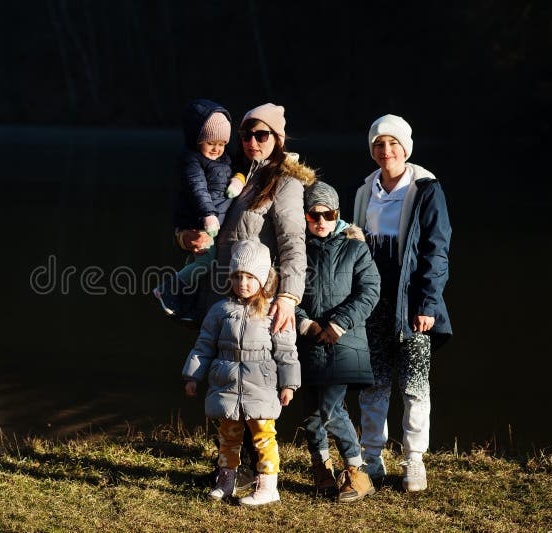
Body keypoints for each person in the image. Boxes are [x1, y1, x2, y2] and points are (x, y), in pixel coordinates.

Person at [353, 114, 452, 492]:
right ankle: (372, 458)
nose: (385, 150)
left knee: (415, 384)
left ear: (406, 148)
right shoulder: (365, 191)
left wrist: (427, 302)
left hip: (413, 302)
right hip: (372, 299)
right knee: (373, 381)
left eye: (393, 143)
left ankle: (414, 460)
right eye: (379, 144)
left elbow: (436, 251)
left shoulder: (426, 188)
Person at [181, 239, 300, 506]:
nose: (243, 283)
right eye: (237, 277)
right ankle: (226, 482)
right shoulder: (220, 311)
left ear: (262, 279)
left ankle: (268, 486)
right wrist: (192, 376)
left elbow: (286, 350)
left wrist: (289, 384)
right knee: (228, 436)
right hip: (227, 385)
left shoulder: (273, 311)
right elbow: (204, 345)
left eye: (249, 277)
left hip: (261, 386)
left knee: (263, 435)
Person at [180, 102, 315, 333]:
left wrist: (288, 296)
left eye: (261, 136)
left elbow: (292, 242)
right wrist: (184, 238)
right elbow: (198, 216)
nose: (252, 143)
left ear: (277, 139)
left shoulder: (286, 183)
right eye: (245, 135)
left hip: (253, 304)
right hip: (213, 299)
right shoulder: (229, 173)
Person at [295, 181, 380, 503]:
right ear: (305, 216)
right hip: (308, 341)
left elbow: (369, 291)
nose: (320, 221)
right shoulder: (295, 250)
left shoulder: (356, 248)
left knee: (330, 409)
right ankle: (322, 469)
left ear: (337, 215)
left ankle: (357, 472)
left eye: (327, 214)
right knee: (311, 414)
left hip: (345, 343)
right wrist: (304, 322)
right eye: (313, 215)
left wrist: (339, 323)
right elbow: (285, 291)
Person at [153, 98, 243, 319]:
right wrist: (208, 216)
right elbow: (197, 189)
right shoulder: (192, 160)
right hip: (201, 222)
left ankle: (186, 303)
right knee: (204, 263)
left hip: (211, 222)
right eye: (211, 142)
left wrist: (238, 180)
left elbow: (238, 169)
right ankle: (168, 288)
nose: (217, 149)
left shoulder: (225, 158)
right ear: (197, 138)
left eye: (222, 144)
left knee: (196, 265)